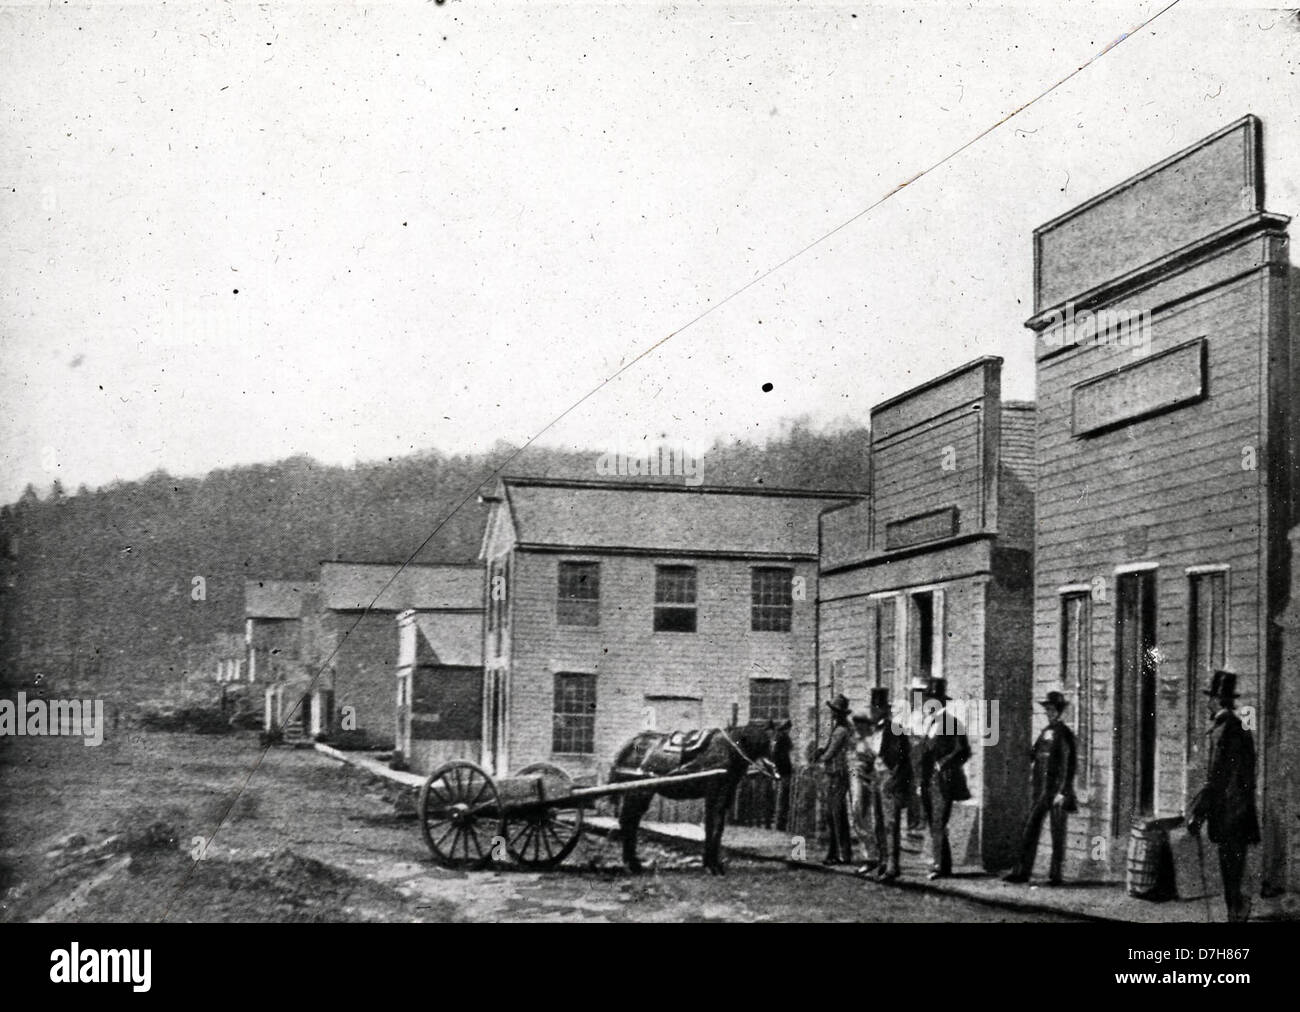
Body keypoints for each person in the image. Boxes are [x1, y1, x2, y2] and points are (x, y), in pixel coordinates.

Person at [1187, 670, 1260, 923]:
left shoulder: (1223, 730)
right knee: (1233, 867)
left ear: (1218, 701)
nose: (1207, 703)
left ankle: (1236, 911)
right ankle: (1237, 909)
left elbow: (1215, 779)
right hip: (1239, 811)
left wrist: (1198, 813)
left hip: (1228, 812)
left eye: (1210, 698)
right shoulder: (1239, 728)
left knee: (1229, 868)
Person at [1003, 690, 1077, 885]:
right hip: (1041, 790)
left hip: (1056, 791)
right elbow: (1033, 754)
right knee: (1030, 828)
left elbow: (1069, 765)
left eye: (1053, 709)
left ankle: (1056, 875)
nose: (1049, 713)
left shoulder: (1064, 733)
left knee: (1057, 832)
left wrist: (1063, 791)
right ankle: (1021, 872)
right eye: (1047, 709)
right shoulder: (1045, 732)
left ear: (1060, 711)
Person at [853, 687, 911, 881]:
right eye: (872, 707)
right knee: (878, 822)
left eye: (877, 708)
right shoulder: (873, 731)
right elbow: (872, 755)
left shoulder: (895, 729)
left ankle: (893, 866)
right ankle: (883, 861)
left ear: (885, 710)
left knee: (890, 824)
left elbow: (903, 759)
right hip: (876, 779)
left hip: (890, 780)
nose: (873, 711)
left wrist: (894, 780)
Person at [919, 676, 970, 880]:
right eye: (927, 699)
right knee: (934, 821)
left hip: (944, 779)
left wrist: (944, 764)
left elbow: (963, 750)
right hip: (929, 779)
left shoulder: (951, 722)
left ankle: (940, 866)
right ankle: (943, 863)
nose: (927, 703)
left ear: (939, 702)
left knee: (939, 821)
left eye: (931, 699)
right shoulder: (931, 723)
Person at [815, 693, 854, 865]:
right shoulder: (841, 729)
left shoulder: (840, 731)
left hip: (837, 775)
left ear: (839, 713)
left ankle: (841, 854)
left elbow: (831, 753)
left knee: (836, 815)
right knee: (835, 815)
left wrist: (819, 756)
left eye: (834, 711)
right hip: (837, 775)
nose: (832, 713)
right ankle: (837, 852)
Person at [771, 719, 794, 832]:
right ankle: (781, 824)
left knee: (782, 798)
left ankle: (780, 823)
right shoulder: (783, 738)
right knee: (783, 798)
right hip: (784, 771)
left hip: (781, 771)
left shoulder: (777, 737)